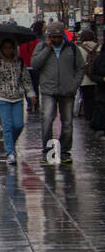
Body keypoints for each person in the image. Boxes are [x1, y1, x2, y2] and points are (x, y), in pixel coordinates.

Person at [31, 22, 87, 163]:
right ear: (49, 36)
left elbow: (81, 67)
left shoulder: (72, 48)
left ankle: (65, 153)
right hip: (48, 90)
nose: (56, 40)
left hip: (67, 90)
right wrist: (47, 49)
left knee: (67, 123)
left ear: (63, 36)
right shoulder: (42, 46)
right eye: (53, 37)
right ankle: (48, 153)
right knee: (47, 120)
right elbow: (35, 64)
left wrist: (75, 84)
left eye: (58, 37)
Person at [0, 39, 34, 164]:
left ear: (14, 49)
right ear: (1, 49)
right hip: (2, 97)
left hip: (17, 97)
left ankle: (10, 144)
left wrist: (31, 94)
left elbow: (26, 79)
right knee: (7, 126)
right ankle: (10, 152)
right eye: (5, 48)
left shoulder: (20, 62)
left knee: (19, 125)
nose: (8, 50)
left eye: (10, 48)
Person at [76, 25, 99, 125]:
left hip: (84, 79)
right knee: (97, 98)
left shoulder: (79, 48)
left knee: (86, 98)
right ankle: (96, 116)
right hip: (97, 78)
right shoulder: (98, 47)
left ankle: (88, 117)